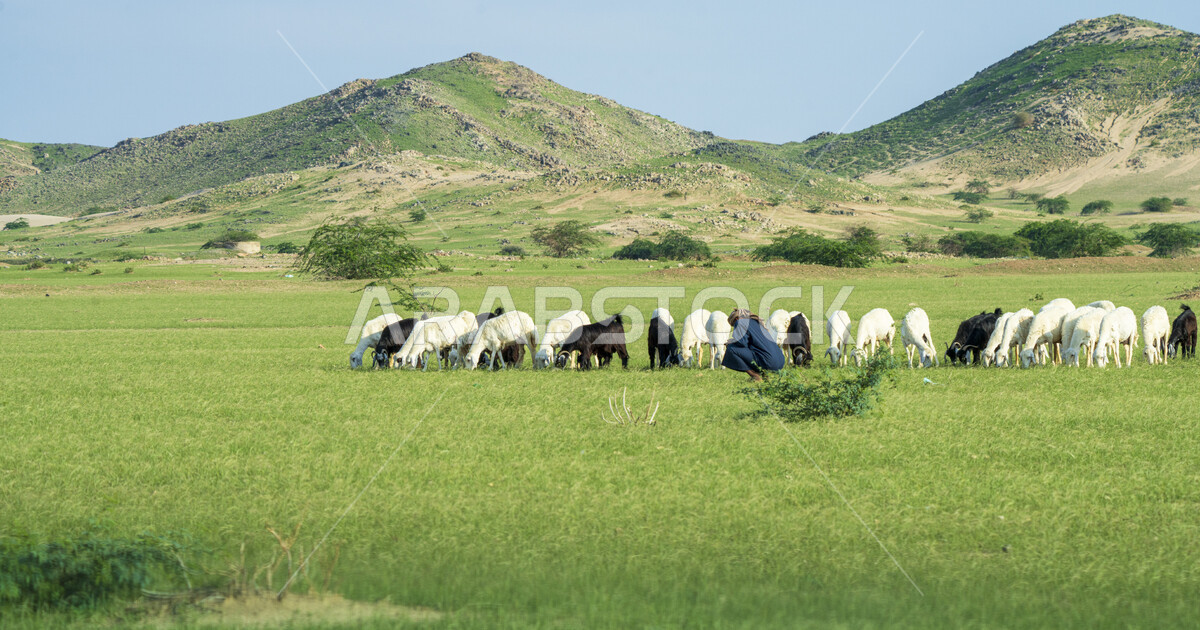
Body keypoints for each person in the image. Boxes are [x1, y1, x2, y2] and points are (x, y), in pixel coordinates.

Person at [721, 309, 786, 381]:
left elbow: (742, 343)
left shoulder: (740, 322)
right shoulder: (756, 322)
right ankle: (765, 375)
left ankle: (755, 376)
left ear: (736, 319)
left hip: (769, 362)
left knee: (731, 349)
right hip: (780, 362)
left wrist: (731, 342)